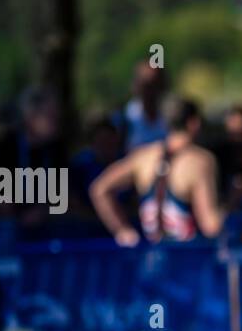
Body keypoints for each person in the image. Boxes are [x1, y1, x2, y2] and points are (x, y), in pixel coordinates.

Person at [90, 96, 224, 244]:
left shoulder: (143, 157)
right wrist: (233, 206)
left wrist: (123, 231)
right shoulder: (200, 161)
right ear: (195, 124)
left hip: (152, 259)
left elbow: (99, 189)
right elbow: (210, 226)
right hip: (188, 260)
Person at [0, 86, 69, 227]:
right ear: (30, 118)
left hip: (43, 227)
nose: (56, 122)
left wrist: (45, 210)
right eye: (50, 116)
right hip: (3, 224)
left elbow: (65, 195)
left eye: (57, 117)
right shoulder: (6, 146)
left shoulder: (56, 150)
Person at [68, 114, 123, 218]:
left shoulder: (126, 163)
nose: (106, 146)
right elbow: (72, 200)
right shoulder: (79, 166)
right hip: (87, 226)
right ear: (92, 143)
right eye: (102, 142)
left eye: (109, 141)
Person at [120, 61, 170, 152]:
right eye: (146, 85)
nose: (150, 91)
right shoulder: (125, 119)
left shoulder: (173, 116)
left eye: (155, 84)